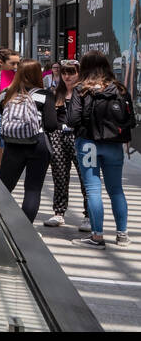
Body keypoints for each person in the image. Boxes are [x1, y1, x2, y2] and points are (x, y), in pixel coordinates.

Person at [66, 51, 131, 249]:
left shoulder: (80, 90)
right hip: (114, 144)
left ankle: (97, 236)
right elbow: (130, 118)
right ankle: (122, 234)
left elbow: (72, 120)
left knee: (93, 189)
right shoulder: (119, 89)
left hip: (88, 144)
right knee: (116, 189)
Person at [0, 59, 55, 222]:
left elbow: (4, 116)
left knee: (5, 186)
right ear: (38, 74)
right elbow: (51, 125)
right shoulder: (45, 96)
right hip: (38, 142)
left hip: (12, 143)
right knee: (32, 189)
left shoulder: (5, 93)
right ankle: (26, 228)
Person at [44, 59, 89, 229]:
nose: (67, 76)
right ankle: (59, 212)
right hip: (58, 137)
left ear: (79, 73)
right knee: (60, 175)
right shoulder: (55, 93)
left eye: (71, 72)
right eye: (64, 72)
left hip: (79, 137)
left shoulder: (84, 93)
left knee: (86, 177)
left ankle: (88, 215)